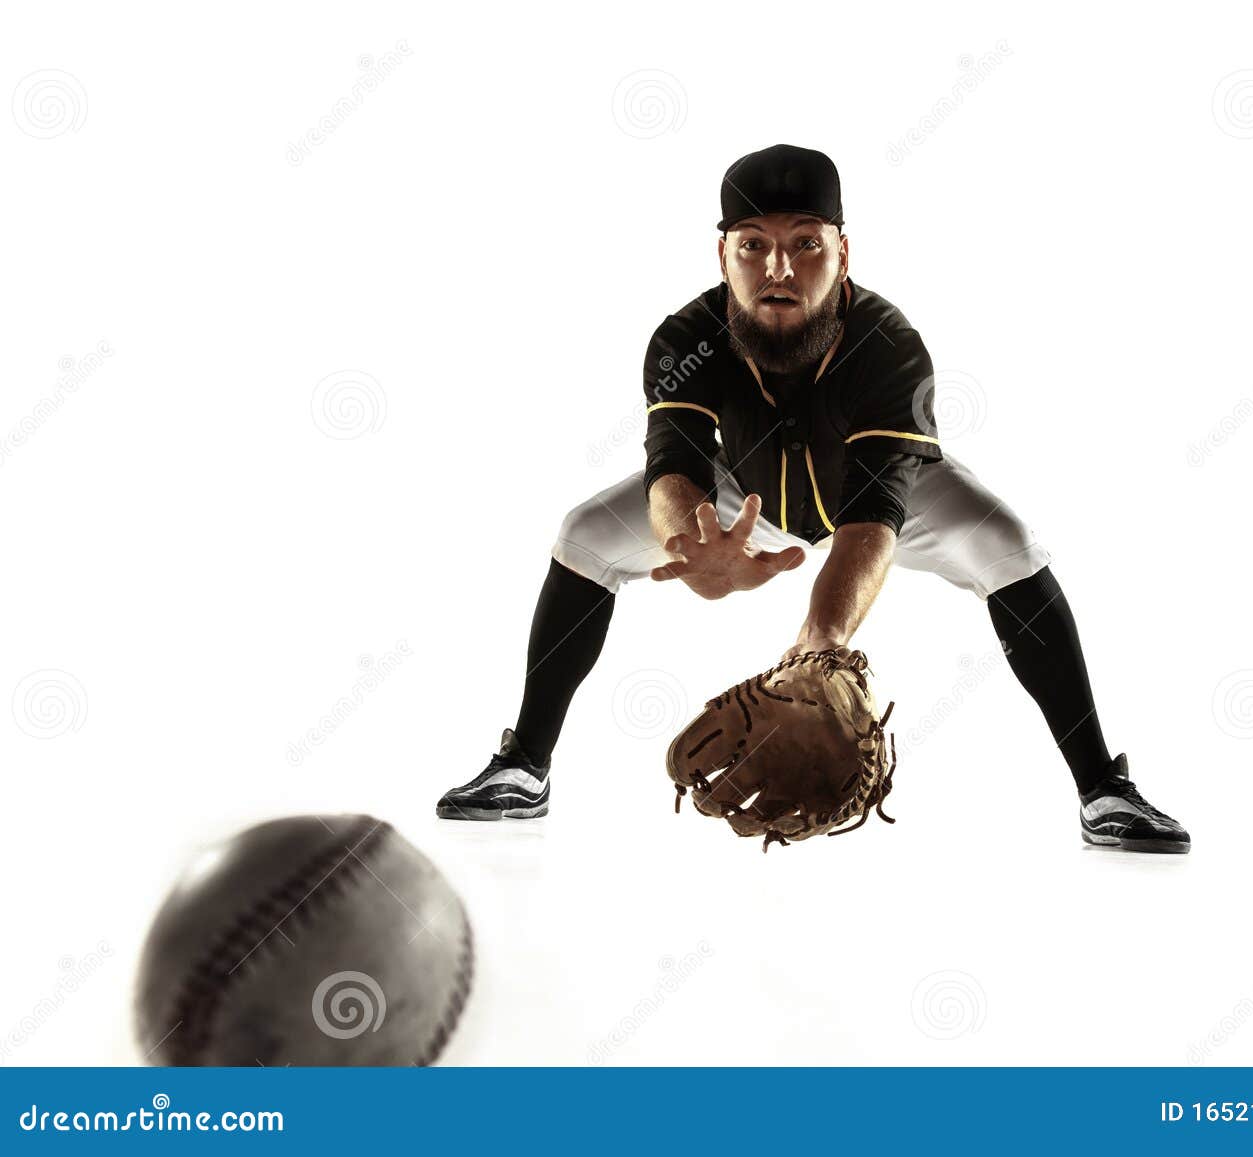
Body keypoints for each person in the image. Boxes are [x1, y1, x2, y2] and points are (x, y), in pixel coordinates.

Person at [435, 143, 1190, 853]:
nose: (780, 268)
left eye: (805, 243)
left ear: (843, 253)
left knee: (1007, 544)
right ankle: (524, 768)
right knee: (584, 535)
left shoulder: (889, 345)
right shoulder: (686, 339)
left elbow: (875, 517)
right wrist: (688, 546)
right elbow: (673, 468)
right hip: (742, 499)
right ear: (723, 255)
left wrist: (821, 638)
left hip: (885, 497)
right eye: (753, 245)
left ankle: (1102, 789)